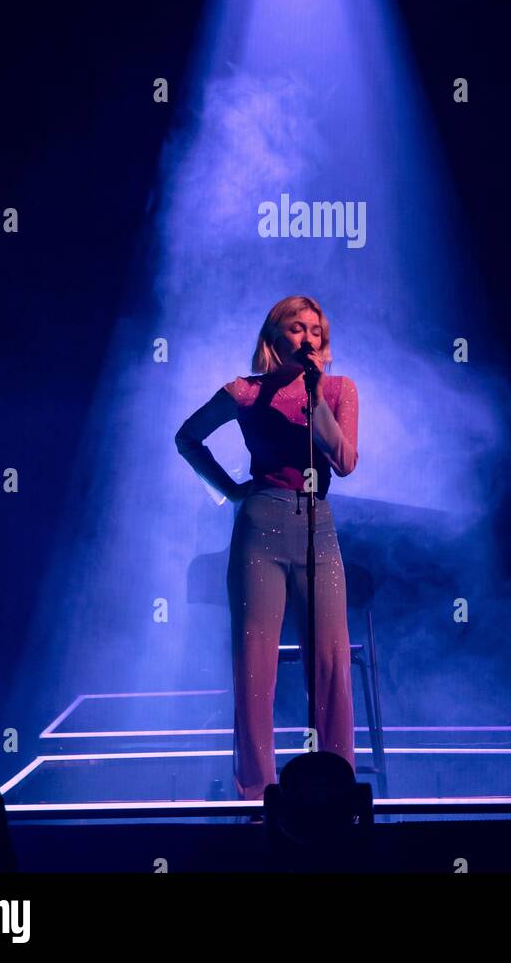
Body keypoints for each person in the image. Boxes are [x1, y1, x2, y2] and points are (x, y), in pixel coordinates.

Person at [175, 294, 359, 801]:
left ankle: (336, 786)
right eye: (297, 329)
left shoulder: (340, 389)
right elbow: (187, 437)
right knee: (255, 664)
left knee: (330, 663)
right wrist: (230, 491)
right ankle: (257, 791)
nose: (308, 338)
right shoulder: (244, 392)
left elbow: (344, 461)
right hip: (260, 523)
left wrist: (317, 397)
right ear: (274, 337)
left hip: (318, 525)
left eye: (316, 331)